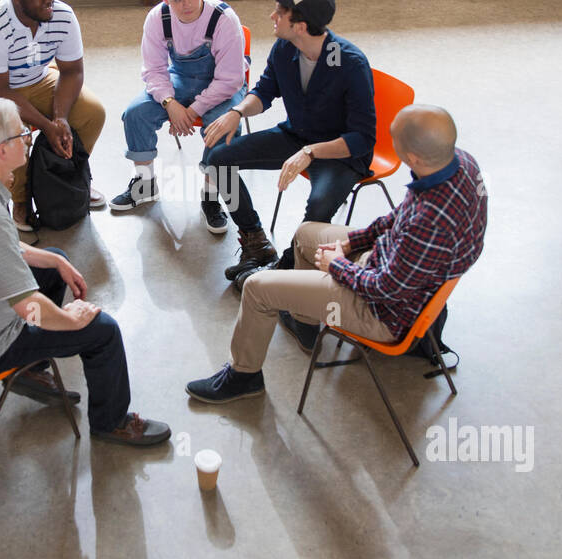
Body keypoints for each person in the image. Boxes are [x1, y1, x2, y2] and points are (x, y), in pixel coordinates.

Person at [186, 105, 487, 404]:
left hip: (381, 311)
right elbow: (398, 218)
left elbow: (384, 289)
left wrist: (338, 265)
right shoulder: (459, 162)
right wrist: (352, 243)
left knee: (257, 288)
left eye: (396, 144)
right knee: (306, 233)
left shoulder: (429, 222)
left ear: (414, 158)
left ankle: (244, 376)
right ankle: (305, 321)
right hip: (389, 263)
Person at [0, 97, 171, 446]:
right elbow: (26, 307)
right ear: (2, 149)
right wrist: (72, 319)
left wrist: (55, 261)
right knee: (102, 330)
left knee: (50, 258)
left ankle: (30, 370)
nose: (28, 138)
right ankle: (111, 422)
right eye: (22, 134)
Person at [201, 0, 375, 287]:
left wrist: (311, 152)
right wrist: (236, 111)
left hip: (340, 154)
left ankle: (289, 266)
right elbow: (265, 91)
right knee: (218, 160)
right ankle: (256, 242)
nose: (272, 16)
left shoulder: (350, 63)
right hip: (297, 135)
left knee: (319, 205)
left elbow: (362, 138)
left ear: (300, 25)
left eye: (280, 11)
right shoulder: (285, 47)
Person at [0, 0, 106, 231]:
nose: (49, 0)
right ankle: (20, 200)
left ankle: (71, 177)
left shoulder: (62, 15)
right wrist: (47, 126)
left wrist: (60, 119)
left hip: (36, 76)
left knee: (92, 113)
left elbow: (72, 71)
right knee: (14, 135)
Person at [109, 0, 247, 232]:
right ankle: (145, 184)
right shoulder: (157, 18)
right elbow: (154, 69)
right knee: (135, 113)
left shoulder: (223, 18)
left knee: (225, 126)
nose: (188, 5)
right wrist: (170, 103)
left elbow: (230, 79)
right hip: (179, 80)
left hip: (221, 84)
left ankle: (210, 197)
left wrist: (192, 111)